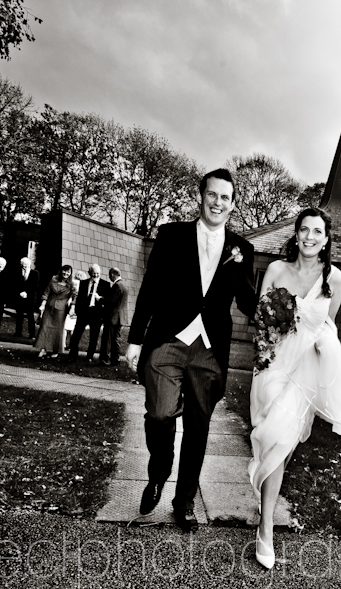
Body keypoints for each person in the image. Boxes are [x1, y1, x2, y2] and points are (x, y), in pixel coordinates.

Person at [125, 168, 257, 532]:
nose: (218, 202)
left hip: (210, 351)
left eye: (225, 197)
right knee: (160, 414)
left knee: (198, 429)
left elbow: (248, 302)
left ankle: (183, 503)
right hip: (168, 339)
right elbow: (150, 289)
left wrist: (278, 308)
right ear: (201, 197)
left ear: (233, 204)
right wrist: (135, 339)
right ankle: (159, 470)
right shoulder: (171, 236)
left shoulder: (242, 249)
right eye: (212, 194)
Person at [248, 207, 341, 569]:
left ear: (326, 239)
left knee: (282, 440)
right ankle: (267, 503)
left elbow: (328, 324)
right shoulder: (277, 270)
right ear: (296, 234)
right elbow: (260, 319)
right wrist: (268, 340)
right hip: (273, 366)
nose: (309, 237)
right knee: (274, 438)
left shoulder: (334, 278)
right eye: (304, 230)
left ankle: (265, 528)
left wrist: (327, 349)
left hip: (305, 369)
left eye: (317, 232)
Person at [67, 264, 110, 362]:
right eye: (93, 273)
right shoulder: (83, 283)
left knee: (94, 336)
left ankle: (89, 356)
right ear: (89, 273)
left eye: (97, 274)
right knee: (76, 334)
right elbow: (79, 298)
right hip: (84, 312)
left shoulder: (105, 285)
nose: (95, 275)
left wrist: (100, 299)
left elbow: (108, 301)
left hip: (96, 313)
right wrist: (77, 311)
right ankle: (73, 354)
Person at [34, 264, 77, 359]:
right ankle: (43, 349)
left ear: (70, 273)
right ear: (61, 271)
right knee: (45, 327)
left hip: (61, 310)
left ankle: (55, 350)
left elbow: (75, 296)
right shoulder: (54, 279)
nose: (66, 273)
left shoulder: (71, 284)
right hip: (49, 307)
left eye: (68, 272)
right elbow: (46, 292)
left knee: (57, 330)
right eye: (64, 271)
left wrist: (72, 307)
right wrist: (43, 304)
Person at [99, 267, 130, 367]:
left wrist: (100, 299)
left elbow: (112, 301)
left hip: (113, 317)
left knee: (109, 339)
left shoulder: (117, 286)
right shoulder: (124, 285)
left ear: (112, 274)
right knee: (115, 338)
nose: (109, 277)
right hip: (120, 317)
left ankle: (108, 359)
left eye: (109, 275)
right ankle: (115, 359)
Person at [11, 257, 40, 339]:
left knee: (30, 316)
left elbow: (36, 286)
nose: (26, 266)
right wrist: (20, 292)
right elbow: (14, 284)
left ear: (30, 264)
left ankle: (32, 334)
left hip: (30, 298)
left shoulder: (35, 273)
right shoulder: (17, 272)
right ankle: (18, 333)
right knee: (19, 315)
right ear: (21, 265)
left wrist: (27, 292)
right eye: (24, 265)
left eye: (27, 265)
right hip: (19, 297)